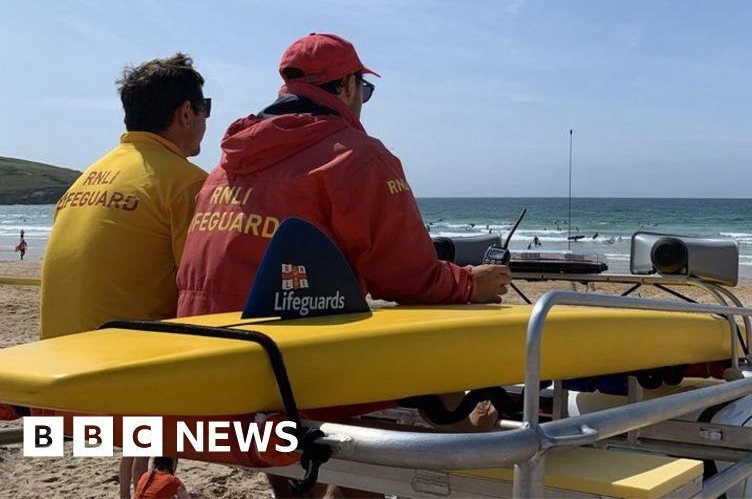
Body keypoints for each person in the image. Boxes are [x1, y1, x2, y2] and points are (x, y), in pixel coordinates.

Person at [174, 33, 511, 498]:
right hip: (294, 372)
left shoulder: (228, 162)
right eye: (365, 90)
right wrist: (471, 284)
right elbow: (409, 278)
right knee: (447, 349)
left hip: (210, 366)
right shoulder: (355, 155)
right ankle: (469, 431)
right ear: (348, 87)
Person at [38, 54, 209, 499]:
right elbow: (201, 290)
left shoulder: (89, 176)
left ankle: (140, 482)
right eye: (204, 106)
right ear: (185, 113)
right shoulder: (185, 182)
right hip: (123, 372)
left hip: (61, 365)